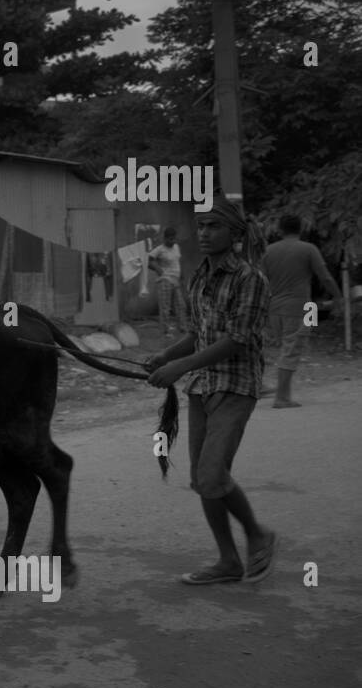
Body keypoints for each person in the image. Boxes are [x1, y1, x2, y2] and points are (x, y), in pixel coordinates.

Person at [145, 196, 276, 587]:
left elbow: (238, 339)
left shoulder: (250, 278)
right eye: (201, 226)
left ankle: (257, 534)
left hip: (236, 385)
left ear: (234, 234)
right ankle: (228, 560)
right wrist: (166, 355)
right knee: (205, 480)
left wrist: (179, 367)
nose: (203, 233)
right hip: (202, 387)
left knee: (211, 474)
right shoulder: (199, 273)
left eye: (213, 226)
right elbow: (197, 332)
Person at [259, 214, 342, 408]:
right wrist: (339, 297)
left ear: (279, 230)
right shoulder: (308, 249)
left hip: (274, 309)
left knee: (288, 347)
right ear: (301, 229)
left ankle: (282, 393)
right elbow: (326, 277)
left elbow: (260, 281)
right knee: (291, 349)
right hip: (301, 306)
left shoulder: (267, 251)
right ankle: (281, 397)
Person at [148, 226, 185, 335]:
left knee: (181, 305)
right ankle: (165, 331)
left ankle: (182, 328)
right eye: (170, 239)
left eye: (174, 238)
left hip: (175, 280)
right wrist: (159, 270)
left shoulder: (176, 247)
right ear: (165, 238)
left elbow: (178, 261)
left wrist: (182, 276)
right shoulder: (160, 249)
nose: (173, 241)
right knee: (165, 307)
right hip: (165, 280)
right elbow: (149, 262)